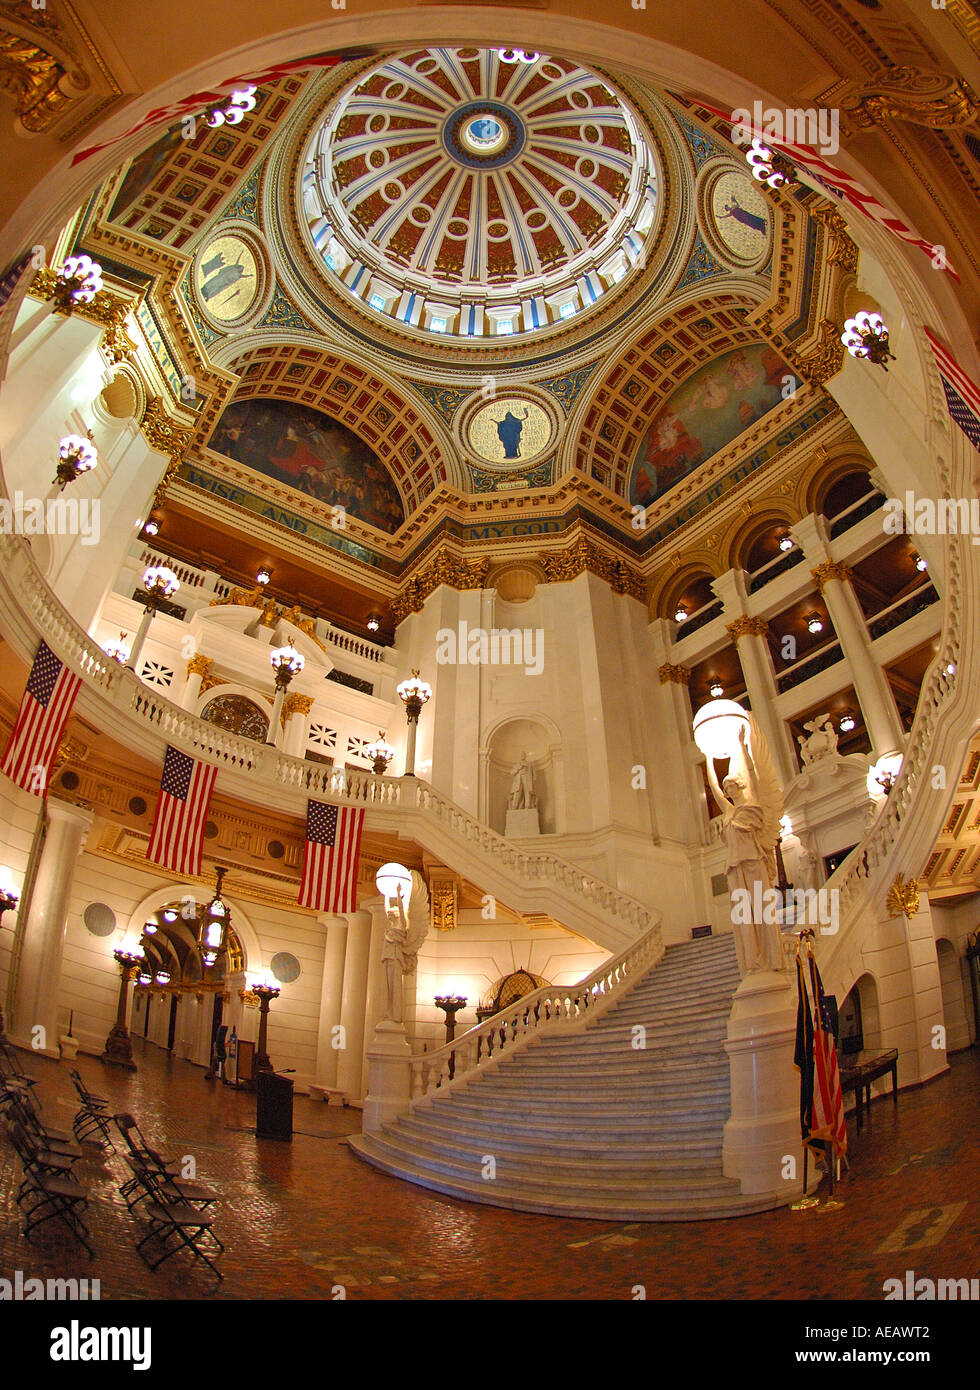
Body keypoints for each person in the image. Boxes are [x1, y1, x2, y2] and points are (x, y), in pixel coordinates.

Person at [707, 726, 785, 975]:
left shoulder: (752, 808)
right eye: (727, 788)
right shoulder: (729, 813)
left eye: (732, 787)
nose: (729, 791)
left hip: (753, 862)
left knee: (762, 910)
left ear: (740, 787)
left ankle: (772, 959)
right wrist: (708, 757)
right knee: (742, 918)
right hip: (734, 866)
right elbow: (713, 789)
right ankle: (751, 962)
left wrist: (741, 746)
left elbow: (751, 774)